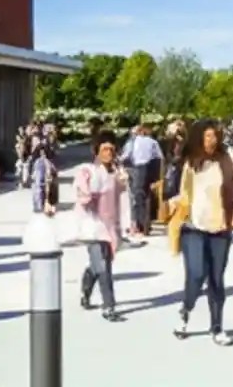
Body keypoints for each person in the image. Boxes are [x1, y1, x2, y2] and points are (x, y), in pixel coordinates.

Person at [168, 119, 233, 346]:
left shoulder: (224, 162)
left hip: (219, 228)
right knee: (196, 274)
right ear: (200, 138)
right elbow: (184, 194)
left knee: (217, 279)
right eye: (208, 136)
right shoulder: (191, 163)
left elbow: (231, 194)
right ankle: (186, 309)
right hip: (194, 227)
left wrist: (229, 221)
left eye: (215, 136)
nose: (212, 140)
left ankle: (217, 327)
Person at [75, 130, 127, 322]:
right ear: (96, 151)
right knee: (104, 267)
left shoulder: (116, 173)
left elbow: (121, 195)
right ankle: (109, 307)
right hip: (93, 226)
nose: (109, 153)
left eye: (112, 150)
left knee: (99, 265)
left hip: (111, 226)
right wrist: (88, 194)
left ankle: (85, 290)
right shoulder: (87, 171)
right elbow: (83, 195)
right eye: (105, 149)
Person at [121, 124, 163, 240]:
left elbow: (126, 155)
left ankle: (138, 226)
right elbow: (159, 157)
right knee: (147, 197)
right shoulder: (153, 142)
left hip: (137, 168)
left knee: (137, 197)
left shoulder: (133, 141)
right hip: (150, 169)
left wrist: (119, 162)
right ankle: (146, 225)